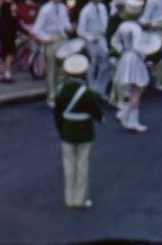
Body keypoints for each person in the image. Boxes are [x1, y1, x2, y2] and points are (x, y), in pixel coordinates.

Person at [53, 54, 102, 209]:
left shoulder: (61, 90)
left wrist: (61, 129)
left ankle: (69, 199)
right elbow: (96, 113)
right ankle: (79, 199)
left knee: (68, 165)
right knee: (82, 165)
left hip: (67, 131)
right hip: (84, 131)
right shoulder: (87, 92)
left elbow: (57, 115)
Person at [110, 0, 150, 132]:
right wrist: (144, 56)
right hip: (134, 58)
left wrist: (122, 50)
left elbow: (114, 41)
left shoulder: (123, 26)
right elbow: (138, 47)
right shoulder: (136, 28)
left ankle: (125, 116)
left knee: (130, 89)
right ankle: (131, 119)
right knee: (138, 89)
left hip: (125, 57)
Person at [33, 0, 73, 108]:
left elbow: (65, 23)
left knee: (63, 70)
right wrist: (45, 39)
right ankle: (52, 97)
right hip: (51, 39)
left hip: (62, 39)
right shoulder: (45, 9)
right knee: (51, 70)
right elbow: (36, 29)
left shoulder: (62, 7)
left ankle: (60, 94)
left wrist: (69, 28)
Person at [77, 0, 111, 99]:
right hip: (91, 41)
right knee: (92, 65)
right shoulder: (85, 11)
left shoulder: (102, 7)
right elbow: (80, 30)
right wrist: (91, 38)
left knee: (105, 64)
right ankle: (92, 89)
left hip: (101, 39)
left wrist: (105, 33)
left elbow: (105, 21)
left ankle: (101, 88)